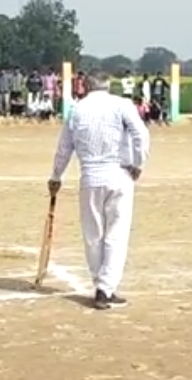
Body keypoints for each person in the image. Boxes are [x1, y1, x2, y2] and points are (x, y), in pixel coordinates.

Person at [47, 71, 150, 311]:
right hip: (119, 174)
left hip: (90, 178)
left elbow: (64, 148)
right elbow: (141, 134)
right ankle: (106, 287)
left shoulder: (76, 109)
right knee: (116, 233)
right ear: (108, 85)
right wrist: (138, 163)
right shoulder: (121, 104)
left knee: (93, 235)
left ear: (85, 85)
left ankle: (100, 284)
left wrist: (56, 176)